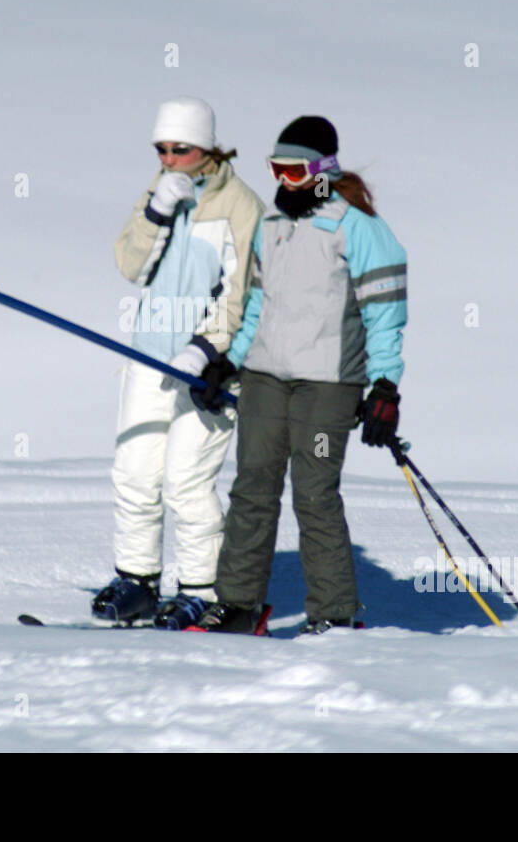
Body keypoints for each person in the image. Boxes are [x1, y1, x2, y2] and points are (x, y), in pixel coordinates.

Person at [189, 115, 407, 635]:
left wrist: (384, 385)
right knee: (252, 490)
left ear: (323, 170)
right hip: (265, 379)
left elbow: (385, 315)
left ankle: (333, 615)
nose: (282, 181)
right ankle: (239, 606)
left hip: (328, 387)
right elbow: (260, 305)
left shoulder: (358, 229)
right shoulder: (272, 226)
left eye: (293, 171)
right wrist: (230, 361)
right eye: (275, 169)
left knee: (314, 494)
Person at [95, 96, 264, 628]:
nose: (169, 159)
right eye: (162, 148)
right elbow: (130, 266)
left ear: (208, 147)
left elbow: (241, 294)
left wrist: (205, 350)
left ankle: (200, 590)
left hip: (205, 370)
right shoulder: (160, 189)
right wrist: (156, 212)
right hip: (145, 354)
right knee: (135, 472)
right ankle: (137, 582)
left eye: (180, 148)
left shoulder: (240, 204)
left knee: (187, 480)